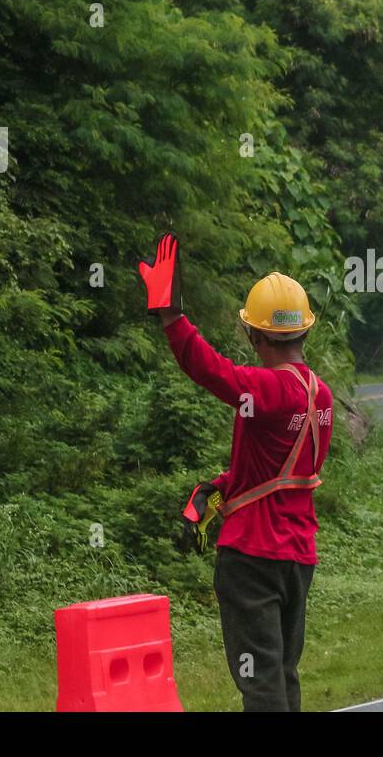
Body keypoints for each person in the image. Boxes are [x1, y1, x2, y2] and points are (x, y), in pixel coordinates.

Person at [137, 232, 333, 711]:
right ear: (304, 331)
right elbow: (287, 471)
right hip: (297, 556)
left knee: (260, 681)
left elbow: (210, 370)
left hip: (252, 558)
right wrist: (219, 489)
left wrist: (171, 315)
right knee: (281, 673)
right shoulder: (320, 397)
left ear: (255, 334)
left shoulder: (267, 389)